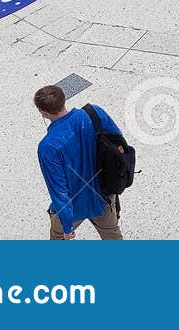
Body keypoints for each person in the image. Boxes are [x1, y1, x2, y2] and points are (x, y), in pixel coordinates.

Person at [34, 85, 125, 240]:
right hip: (103, 198)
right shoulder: (94, 113)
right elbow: (118, 143)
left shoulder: (48, 147)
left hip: (73, 207)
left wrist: (68, 227)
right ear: (64, 99)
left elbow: (59, 191)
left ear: (43, 113)